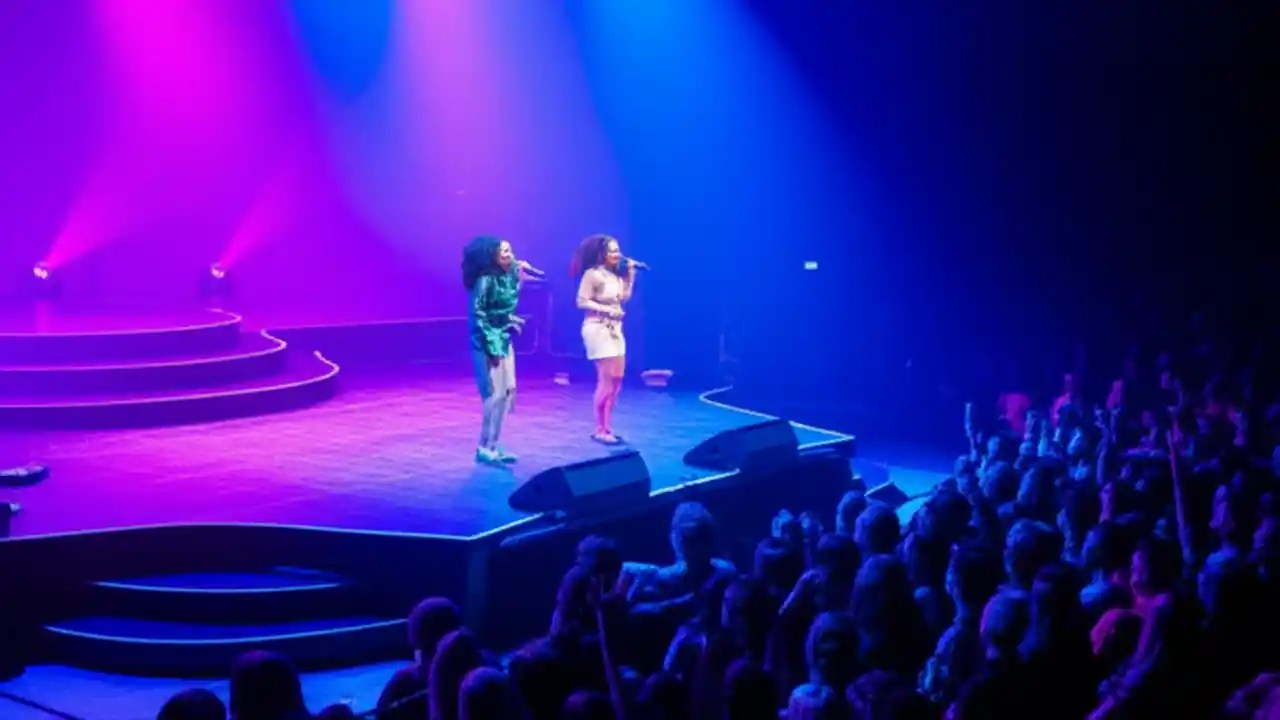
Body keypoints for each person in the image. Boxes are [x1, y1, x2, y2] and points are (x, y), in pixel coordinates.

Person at [463, 235, 535, 464]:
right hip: (486, 342)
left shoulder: (507, 278)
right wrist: (490, 344)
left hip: (503, 339)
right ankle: (483, 446)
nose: (508, 253)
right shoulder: (485, 280)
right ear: (491, 255)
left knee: (507, 392)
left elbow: (503, 307)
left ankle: (494, 443)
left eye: (509, 250)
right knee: (493, 395)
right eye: (502, 250)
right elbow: (479, 315)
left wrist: (511, 319)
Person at [571, 234, 636, 445]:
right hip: (597, 328)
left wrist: (630, 277)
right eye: (612, 251)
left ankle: (608, 426)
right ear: (602, 254)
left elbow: (623, 298)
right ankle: (599, 428)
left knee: (617, 378)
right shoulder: (592, 274)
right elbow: (582, 301)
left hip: (615, 329)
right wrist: (606, 310)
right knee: (606, 380)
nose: (617, 254)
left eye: (618, 250)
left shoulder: (615, 275)